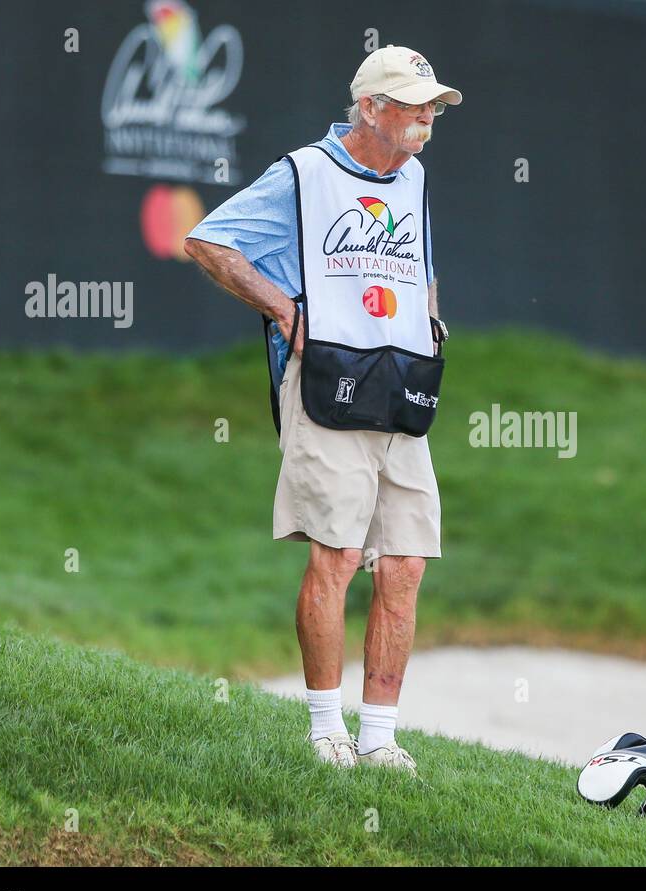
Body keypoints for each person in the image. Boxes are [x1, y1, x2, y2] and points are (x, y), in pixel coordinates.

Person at [184, 45, 461, 776]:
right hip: (327, 383)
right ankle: (324, 728)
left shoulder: (416, 178)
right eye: (413, 103)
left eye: (433, 104)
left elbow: (421, 270)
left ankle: (380, 736)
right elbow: (208, 241)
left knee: (403, 564)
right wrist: (282, 309)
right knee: (336, 554)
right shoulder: (304, 174)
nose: (427, 116)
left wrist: (429, 323)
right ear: (370, 106)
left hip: (402, 386)